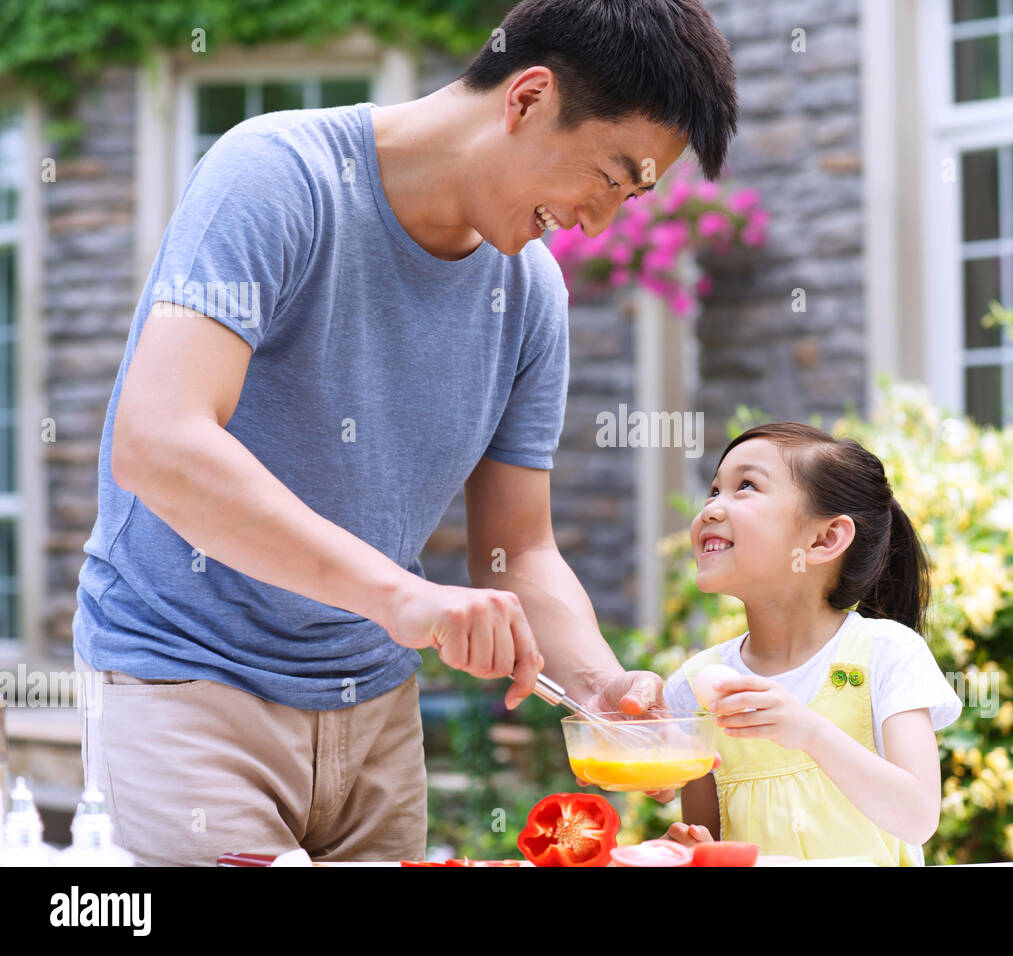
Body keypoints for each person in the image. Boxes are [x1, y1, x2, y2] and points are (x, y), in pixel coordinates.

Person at [71, 0, 738, 866]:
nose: (599, 221)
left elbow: (519, 552)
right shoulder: (276, 177)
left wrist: (600, 686)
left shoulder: (531, 294)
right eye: (610, 177)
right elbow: (160, 443)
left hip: (377, 714)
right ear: (528, 98)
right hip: (187, 685)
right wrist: (400, 598)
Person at [661, 422, 962, 864]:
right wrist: (694, 851)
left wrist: (811, 732)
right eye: (713, 490)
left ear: (824, 539)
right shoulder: (694, 688)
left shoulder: (886, 653)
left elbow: (918, 817)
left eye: (745, 486)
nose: (710, 509)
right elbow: (714, 844)